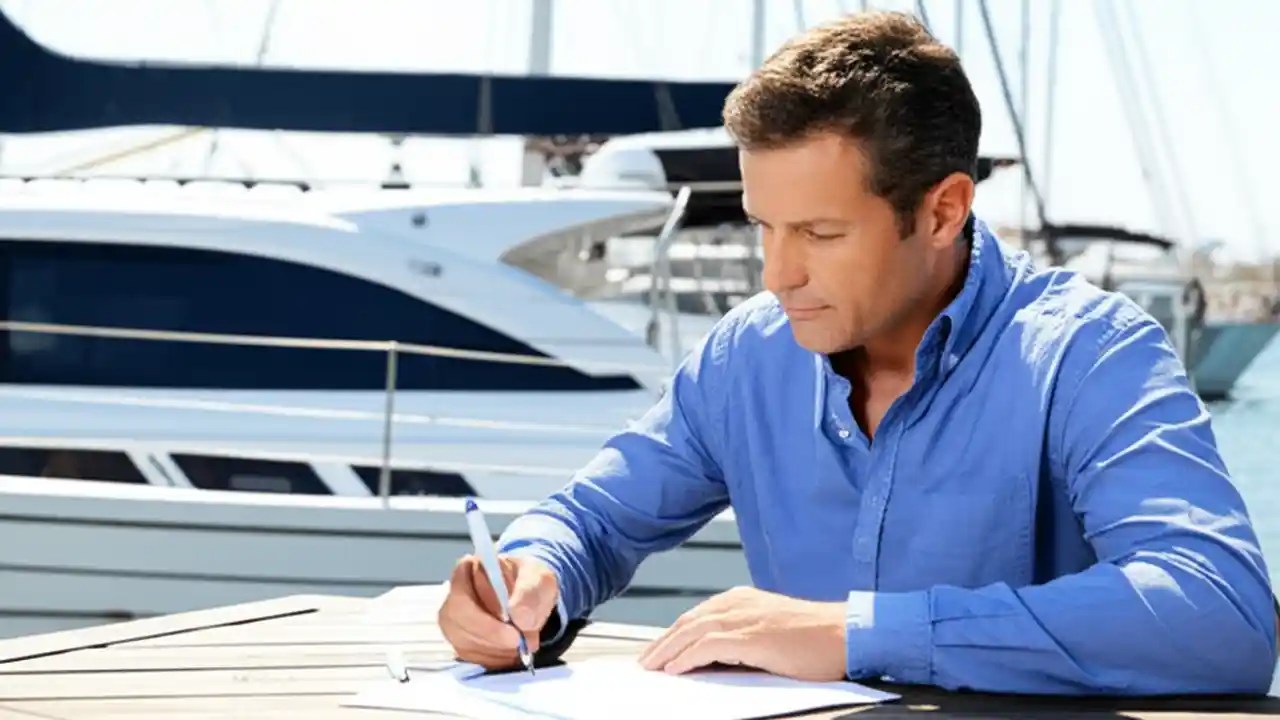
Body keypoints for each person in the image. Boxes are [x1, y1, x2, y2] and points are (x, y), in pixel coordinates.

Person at [438, 10, 1277, 695]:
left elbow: (1219, 610)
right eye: (764, 227)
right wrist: (531, 577)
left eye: (820, 233)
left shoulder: (1090, 354)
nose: (778, 274)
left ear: (943, 212)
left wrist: (858, 633)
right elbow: (591, 520)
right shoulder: (746, 358)